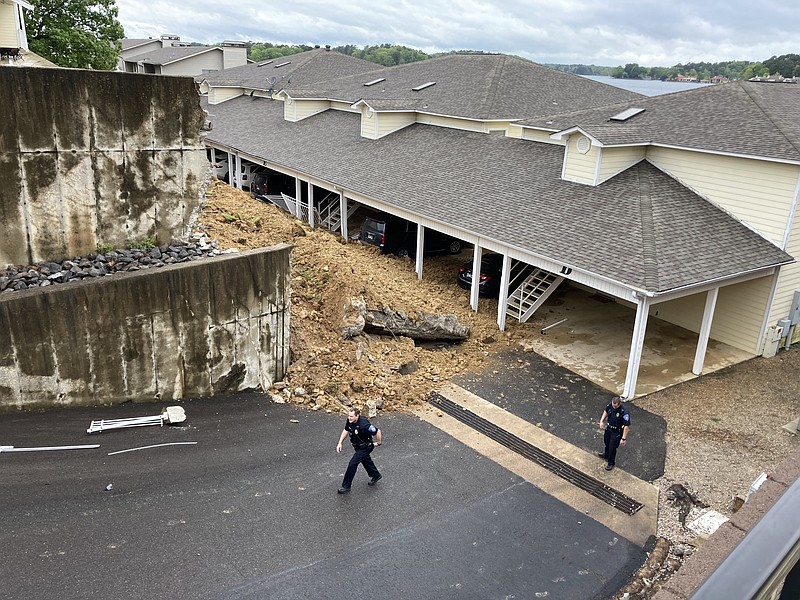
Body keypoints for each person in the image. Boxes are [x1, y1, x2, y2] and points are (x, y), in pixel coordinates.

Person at [336, 407, 382, 493]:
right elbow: (346, 429)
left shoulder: (364, 425)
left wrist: (378, 443)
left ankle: (346, 486)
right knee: (366, 460)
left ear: (357, 416)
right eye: (348, 416)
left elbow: (378, 431)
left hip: (365, 447)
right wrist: (340, 443)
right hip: (357, 446)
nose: (349, 418)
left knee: (352, 464)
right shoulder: (350, 421)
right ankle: (376, 475)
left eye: (351, 416)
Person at [598, 396, 630, 471]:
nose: (614, 407)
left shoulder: (624, 412)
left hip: (617, 431)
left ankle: (611, 463)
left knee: (612, 447)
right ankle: (606, 454)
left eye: (615, 406)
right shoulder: (611, 405)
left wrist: (623, 438)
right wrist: (601, 421)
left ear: (619, 404)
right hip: (609, 428)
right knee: (607, 442)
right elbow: (606, 411)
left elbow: (626, 426)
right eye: (613, 406)